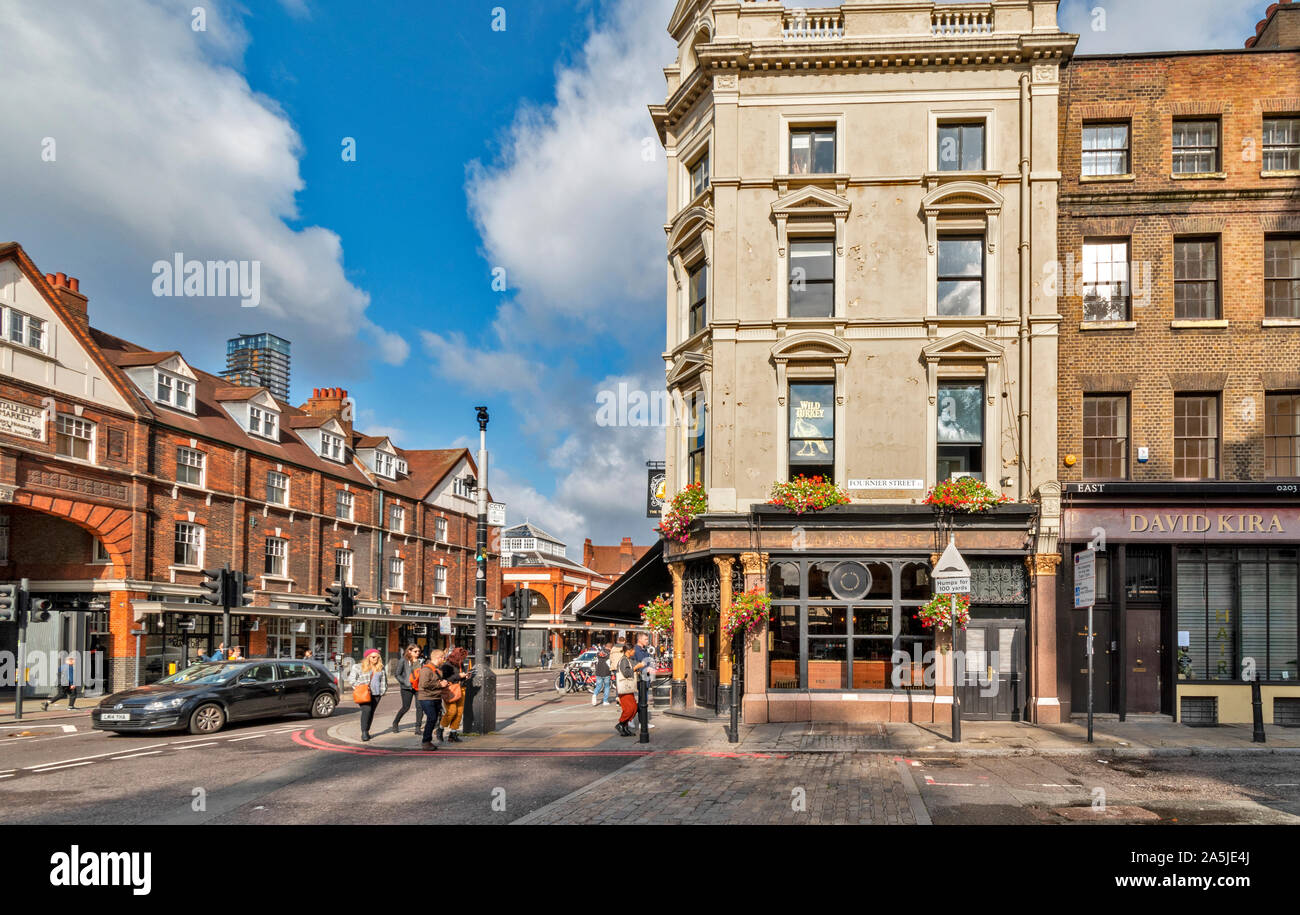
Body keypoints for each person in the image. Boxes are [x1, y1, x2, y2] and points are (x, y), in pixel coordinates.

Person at [417, 649, 448, 750]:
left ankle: (428, 740)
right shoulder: (426, 670)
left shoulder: (437, 669)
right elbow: (424, 684)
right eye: (443, 658)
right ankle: (426, 742)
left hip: (435, 697)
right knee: (432, 718)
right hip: (426, 698)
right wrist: (439, 684)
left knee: (435, 719)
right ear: (438, 658)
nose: (444, 660)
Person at [354, 649, 388, 742]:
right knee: (367, 710)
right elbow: (352, 680)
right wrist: (360, 687)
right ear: (368, 657)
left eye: (377, 657)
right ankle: (364, 732)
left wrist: (382, 691)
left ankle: (367, 730)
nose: (375, 659)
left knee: (371, 712)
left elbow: (384, 680)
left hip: (376, 694)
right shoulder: (359, 667)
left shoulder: (381, 667)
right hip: (364, 693)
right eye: (373, 657)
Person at [438, 647, 468, 742]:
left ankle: (453, 734)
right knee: (452, 711)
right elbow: (444, 679)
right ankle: (440, 729)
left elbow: (460, 677)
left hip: (461, 689)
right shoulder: (446, 665)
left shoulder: (460, 664)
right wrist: (459, 676)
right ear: (456, 656)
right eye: (461, 657)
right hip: (450, 690)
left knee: (459, 713)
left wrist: (465, 676)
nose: (463, 660)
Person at [391, 644, 424, 734]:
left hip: (419, 687)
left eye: (418, 651)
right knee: (406, 707)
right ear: (409, 651)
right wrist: (405, 682)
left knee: (420, 707)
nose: (418, 653)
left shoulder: (421, 661)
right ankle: (395, 723)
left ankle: (418, 727)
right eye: (415, 651)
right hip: (407, 687)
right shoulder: (403, 660)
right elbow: (397, 674)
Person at [632, 633, 655, 730]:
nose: (647, 641)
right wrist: (645, 669)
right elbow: (634, 665)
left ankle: (641, 722)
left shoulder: (644, 650)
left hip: (646, 679)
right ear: (639, 640)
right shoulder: (635, 650)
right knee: (642, 701)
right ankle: (634, 720)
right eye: (645, 639)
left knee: (643, 701)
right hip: (640, 679)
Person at [614, 644, 638, 737]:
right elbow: (626, 673)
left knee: (633, 708)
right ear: (629, 650)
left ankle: (624, 727)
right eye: (633, 650)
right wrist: (635, 668)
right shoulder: (624, 660)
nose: (634, 652)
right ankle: (621, 724)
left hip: (628, 688)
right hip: (624, 688)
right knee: (629, 709)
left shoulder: (628, 660)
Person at [591, 641, 612, 707]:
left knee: (598, 686)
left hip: (599, 671)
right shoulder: (609, 654)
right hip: (606, 672)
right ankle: (605, 701)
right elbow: (610, 663)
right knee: (607, 686)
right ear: (610, 647)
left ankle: (594, 695)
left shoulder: (598, 652)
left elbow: (594, 660)